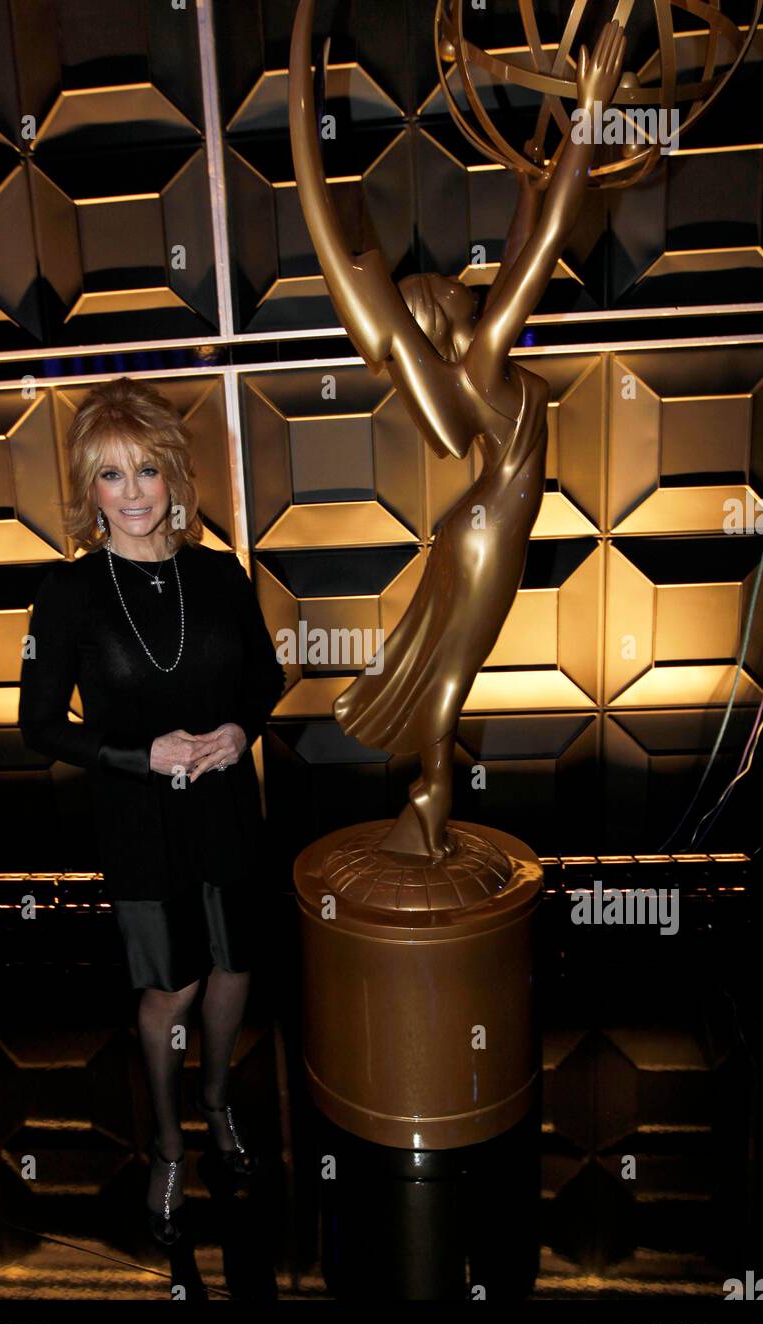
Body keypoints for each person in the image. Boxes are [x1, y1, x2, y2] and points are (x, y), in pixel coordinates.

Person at [290, 7, 627, 861]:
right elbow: (547, 247)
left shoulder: (473, 367)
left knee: (454, 665)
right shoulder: (478, 365)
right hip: (485, 532)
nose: (459, 284)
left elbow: (523, 256)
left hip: (479, 528)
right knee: (454, 670)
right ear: (441, 314)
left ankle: (430, 791)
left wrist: (527, 183)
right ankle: (433, 789)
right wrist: (585, 117)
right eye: (444, 286)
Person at [18, 376, 286, 1244]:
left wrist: (243, 728)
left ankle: (216, 1101)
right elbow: (37, 727)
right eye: (110, 476)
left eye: (146, 471)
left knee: (234, 964)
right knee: (169, 987)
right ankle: (170, 1145)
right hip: (139, 821)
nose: (132, 494)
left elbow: (265, 677)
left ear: (174, 476)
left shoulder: (219, 575)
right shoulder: (68, 595)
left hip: (228, 811)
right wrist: (142, 755)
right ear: (89, 490)